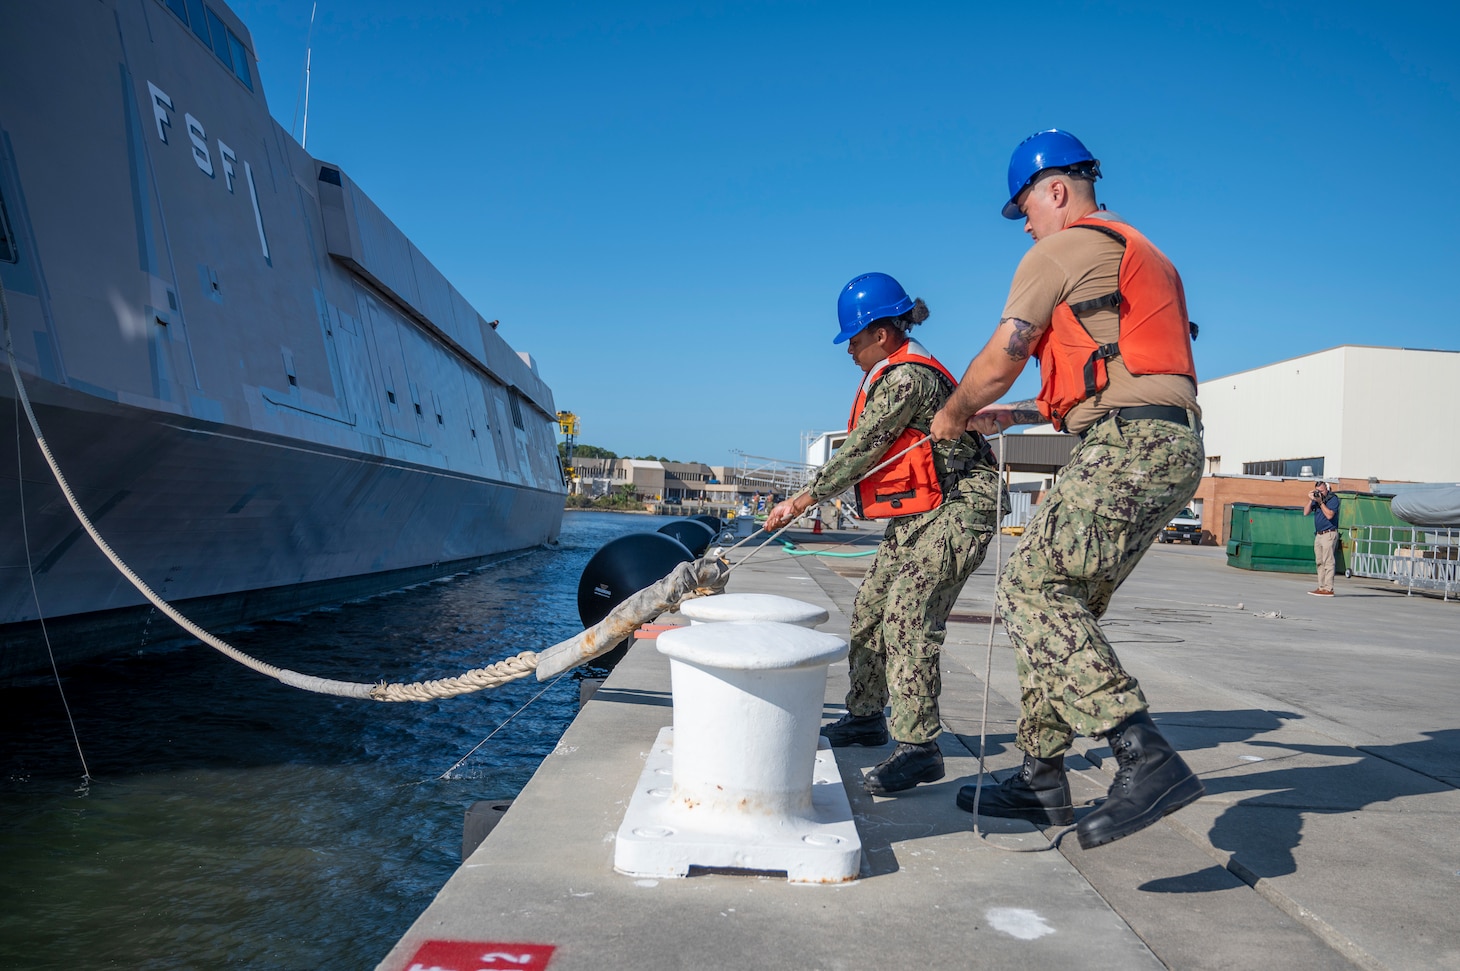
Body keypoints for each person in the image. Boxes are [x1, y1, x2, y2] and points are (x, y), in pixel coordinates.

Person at [929, 129, 1205, 849]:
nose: (1024, 221)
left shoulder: (1062, 246)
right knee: (1060, 605)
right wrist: (1017, 413)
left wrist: (955, 414)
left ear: (1055, 190)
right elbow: (1115, 367)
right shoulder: (1144, 253)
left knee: (1031, 589)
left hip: (1129, 446)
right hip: (1163, 441)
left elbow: (1006, 351)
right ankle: (1041, 774)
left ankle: (1143, 755)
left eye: (1024, 205)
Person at [766, 272, 1005, 795]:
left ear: (882, 333)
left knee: (909, 615)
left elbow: (863, 449)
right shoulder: (890, 370)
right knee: (873, 607)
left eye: (853, 337)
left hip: (960, 505)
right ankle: (867, 716)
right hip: (923, 510)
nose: (848, 349)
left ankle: (920, 748)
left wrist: (799, 501)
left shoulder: (905, 379)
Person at [1304, 480, 1341, 596]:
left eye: (1321, 491)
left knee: (1328, 561)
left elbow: (1330, 515)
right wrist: (1311, 500)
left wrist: (1320, 503)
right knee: (1319, 561)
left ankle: (1329, 588)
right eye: (1317, 491)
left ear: (1327, 489)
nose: (1319, 493)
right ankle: (1321, 587)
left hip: (1329, 533)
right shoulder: (1317, 500)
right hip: (1319, 534)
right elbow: (1305, 512)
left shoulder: (1333, 499)